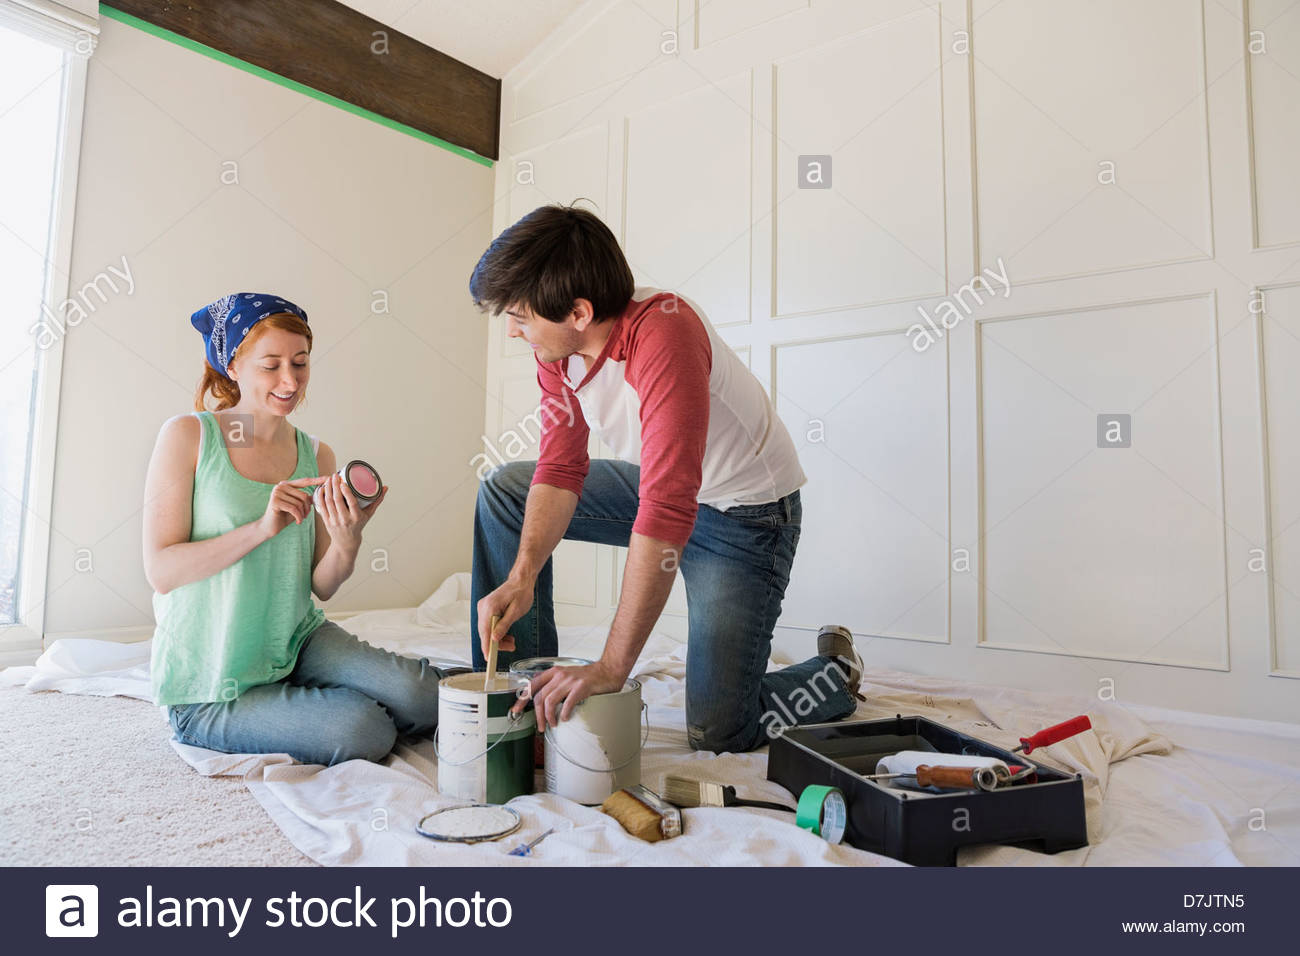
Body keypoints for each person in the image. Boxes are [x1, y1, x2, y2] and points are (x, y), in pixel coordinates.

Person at [468, 205, 865, 754]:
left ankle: (836, 672)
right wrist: (522, 575)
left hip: (746, 518)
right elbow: (560, 468)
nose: (513, 331)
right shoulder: (556, 349)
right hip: (673, 492)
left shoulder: (664, 334)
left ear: (579, 312)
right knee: (506, 489)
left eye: (519, 315)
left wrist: (609, 667)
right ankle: (519, 699)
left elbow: (666, 508)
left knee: (720, 730)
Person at [142, 293, 442, 766]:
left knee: (427, 695)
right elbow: (161, 570)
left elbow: (319, 586)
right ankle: (301, 705)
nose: (290, 381)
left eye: (300, 363)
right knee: (365, 729)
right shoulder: (188, 437)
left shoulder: (316, 454)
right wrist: (261, 528)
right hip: (212, 683)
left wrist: (348, 537)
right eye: (271, 365)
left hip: (295, 642)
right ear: (234, 366)